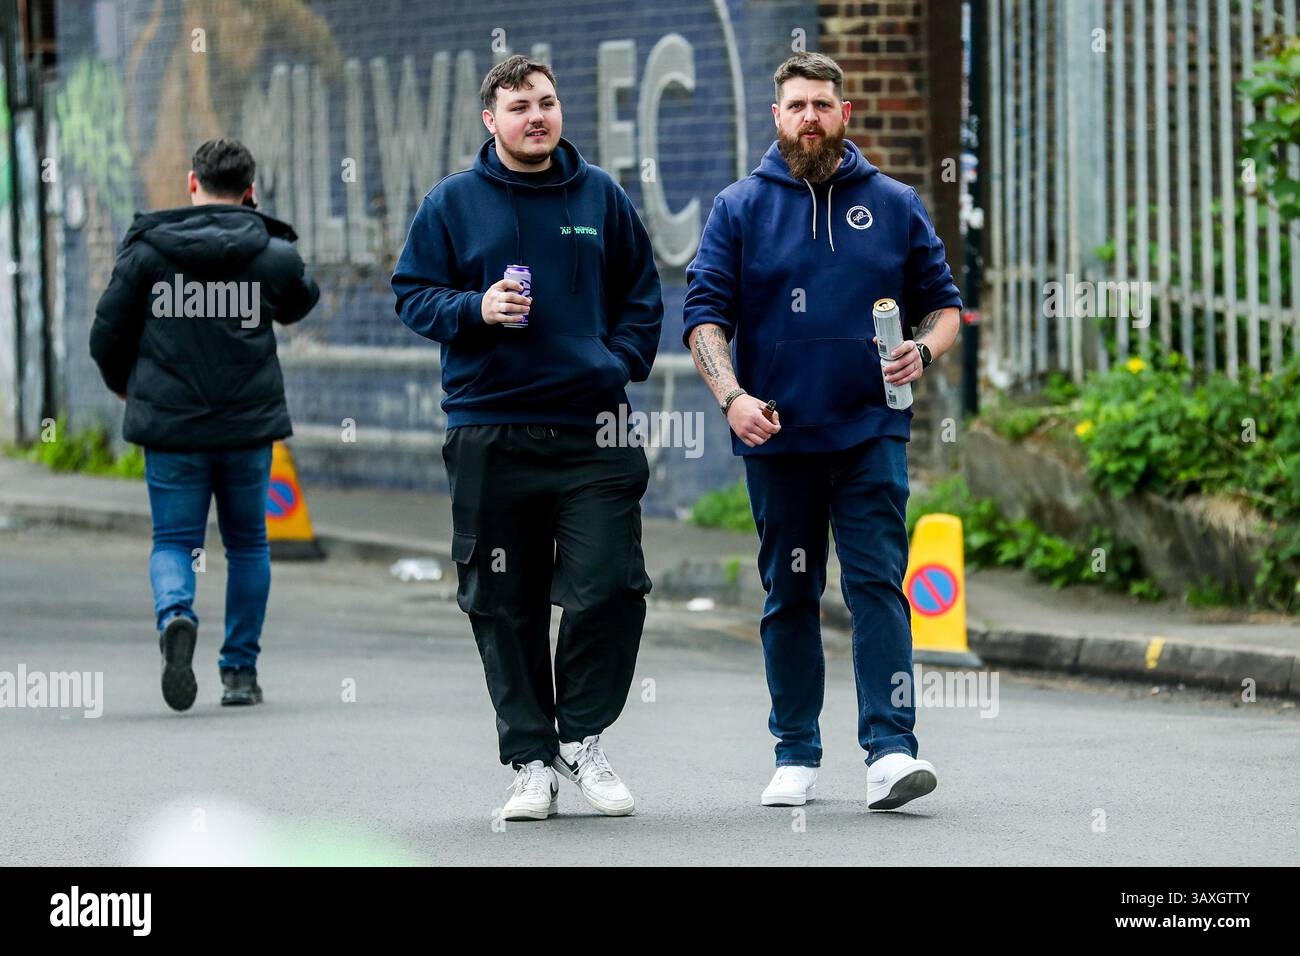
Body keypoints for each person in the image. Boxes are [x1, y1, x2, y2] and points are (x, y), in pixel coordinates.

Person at [683, 52, 961, 810]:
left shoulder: (896, 203)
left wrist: (923, 349)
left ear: (846, 114)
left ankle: (891, 752)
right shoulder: (739, 208)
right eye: (796, 104)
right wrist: (732, 395)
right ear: (777, 117)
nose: (810, 116)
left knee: (878, 585)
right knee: (790, 591)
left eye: (823, 104)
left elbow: (944, 306)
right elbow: (704, 315)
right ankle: (795, 753)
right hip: (777, 433)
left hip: (872, 430)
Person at [392, 55, 663, 821]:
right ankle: (531, 761)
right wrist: (474, 309)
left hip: (594, 431)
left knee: (610, 585)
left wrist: (619, 361)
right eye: (519, 107)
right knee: (501, 600)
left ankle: (581, 738)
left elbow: (643, 292)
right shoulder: (452, 203)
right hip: (490, 428)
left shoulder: (600, 196)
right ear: (491, 121)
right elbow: (413, 294)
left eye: (546, 102)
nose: (536, 116)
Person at [90, 138, 320, 711]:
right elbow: (300, 302)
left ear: (192, 184)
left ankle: (176, 615)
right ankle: (239, 673)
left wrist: (127, 386)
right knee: (247, 545)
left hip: (171, 429)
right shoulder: (271, 254)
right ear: (248, 191)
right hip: (246, 430)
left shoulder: (146, 255)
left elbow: (105, 335)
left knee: (173, 540)